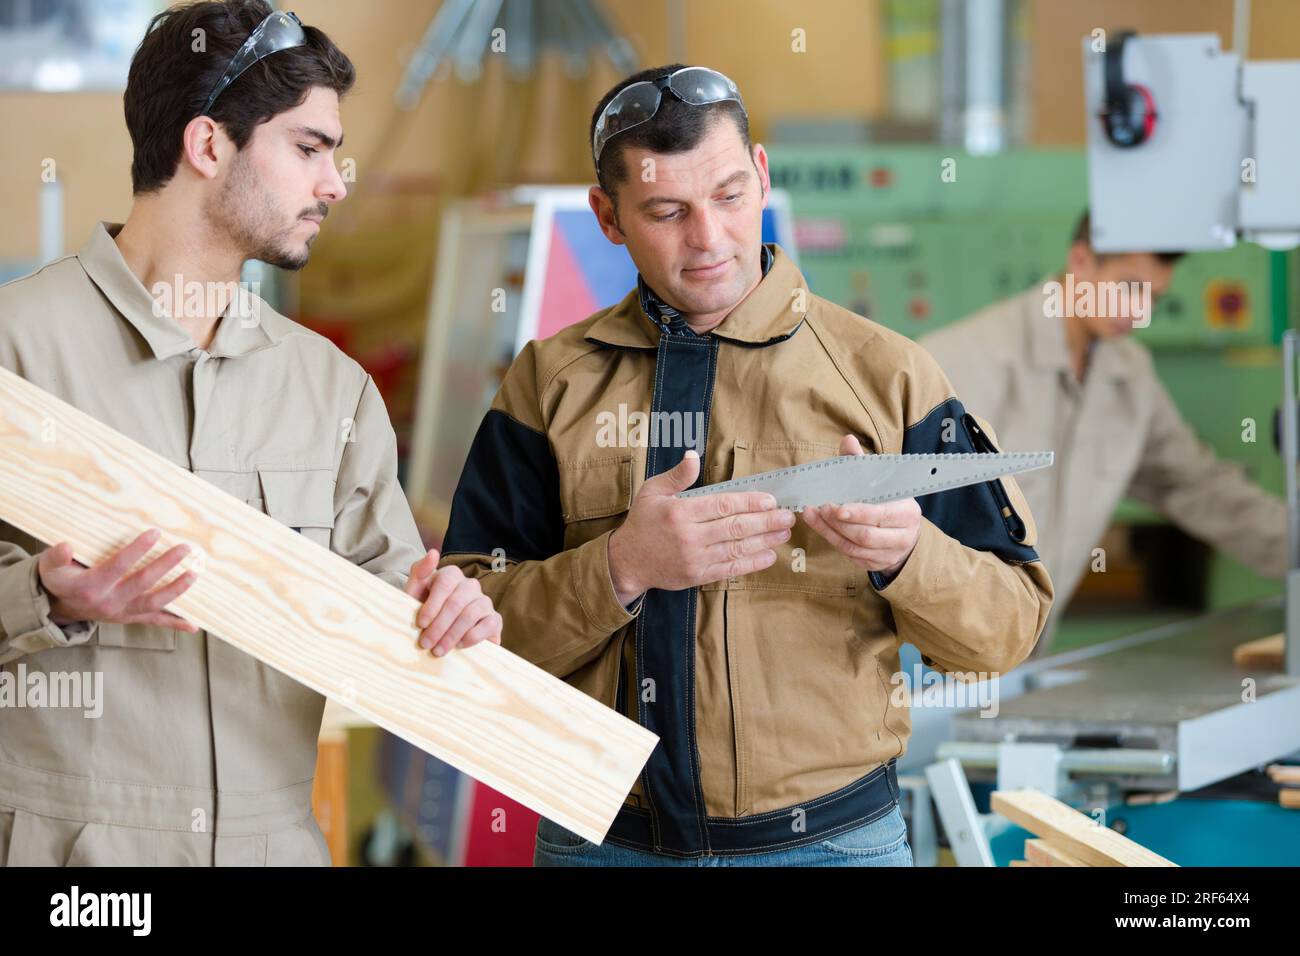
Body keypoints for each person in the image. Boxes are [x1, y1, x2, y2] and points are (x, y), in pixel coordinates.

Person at [438, 64, 1054, 866]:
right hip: (601, 844)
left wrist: (910, 556)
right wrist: (621, 567)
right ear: (608, 217)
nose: (709, 239)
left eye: (729, 195)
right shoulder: (546, 385)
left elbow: (1008, 630)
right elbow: (466, 636)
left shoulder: (888, 376)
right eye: (667, 211)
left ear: (761, 175)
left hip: (830, 848)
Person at [0, 0, 499, 867]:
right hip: (63, 855)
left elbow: (388, 626)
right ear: (207, 145)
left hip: (276, 847)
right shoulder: (15, 351)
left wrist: (442, 614)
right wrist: (44, 599)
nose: (336, 182)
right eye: (309, 148)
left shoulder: (332, 391)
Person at [920, 213, 1287, 655]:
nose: (1140, 314)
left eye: (1154, 297)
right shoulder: (962, 361)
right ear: (1080, 261)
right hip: (923, 654)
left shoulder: (1129, 376)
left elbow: (1196, 485)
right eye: (1129, 288)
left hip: (1022, 653)